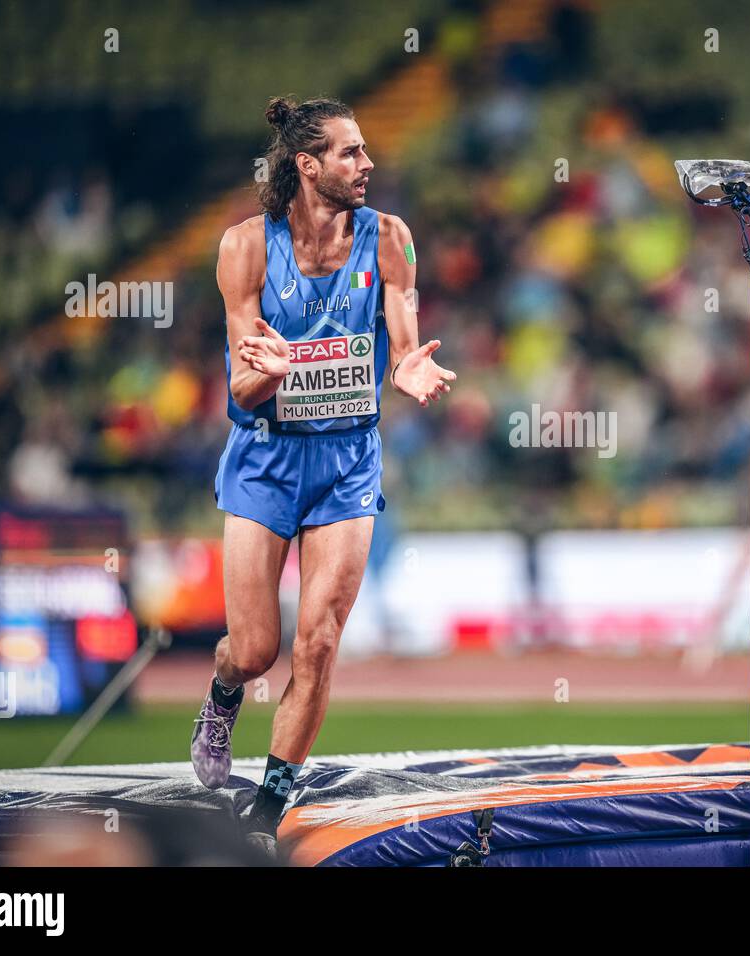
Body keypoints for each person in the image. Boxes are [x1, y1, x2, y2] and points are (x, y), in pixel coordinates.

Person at [191, 96, 455, 855]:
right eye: (349, 152)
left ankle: (269, 805)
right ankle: (222, 696)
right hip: (265, 458)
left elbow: (404, 327)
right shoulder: (245, 247)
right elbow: (239, 391)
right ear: (306, 165)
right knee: (255, 649)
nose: (367, 164)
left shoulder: (389, 238)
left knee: (319, 642)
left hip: (347, 461)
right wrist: (265, 374)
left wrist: (406, 364)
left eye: (365, 150)